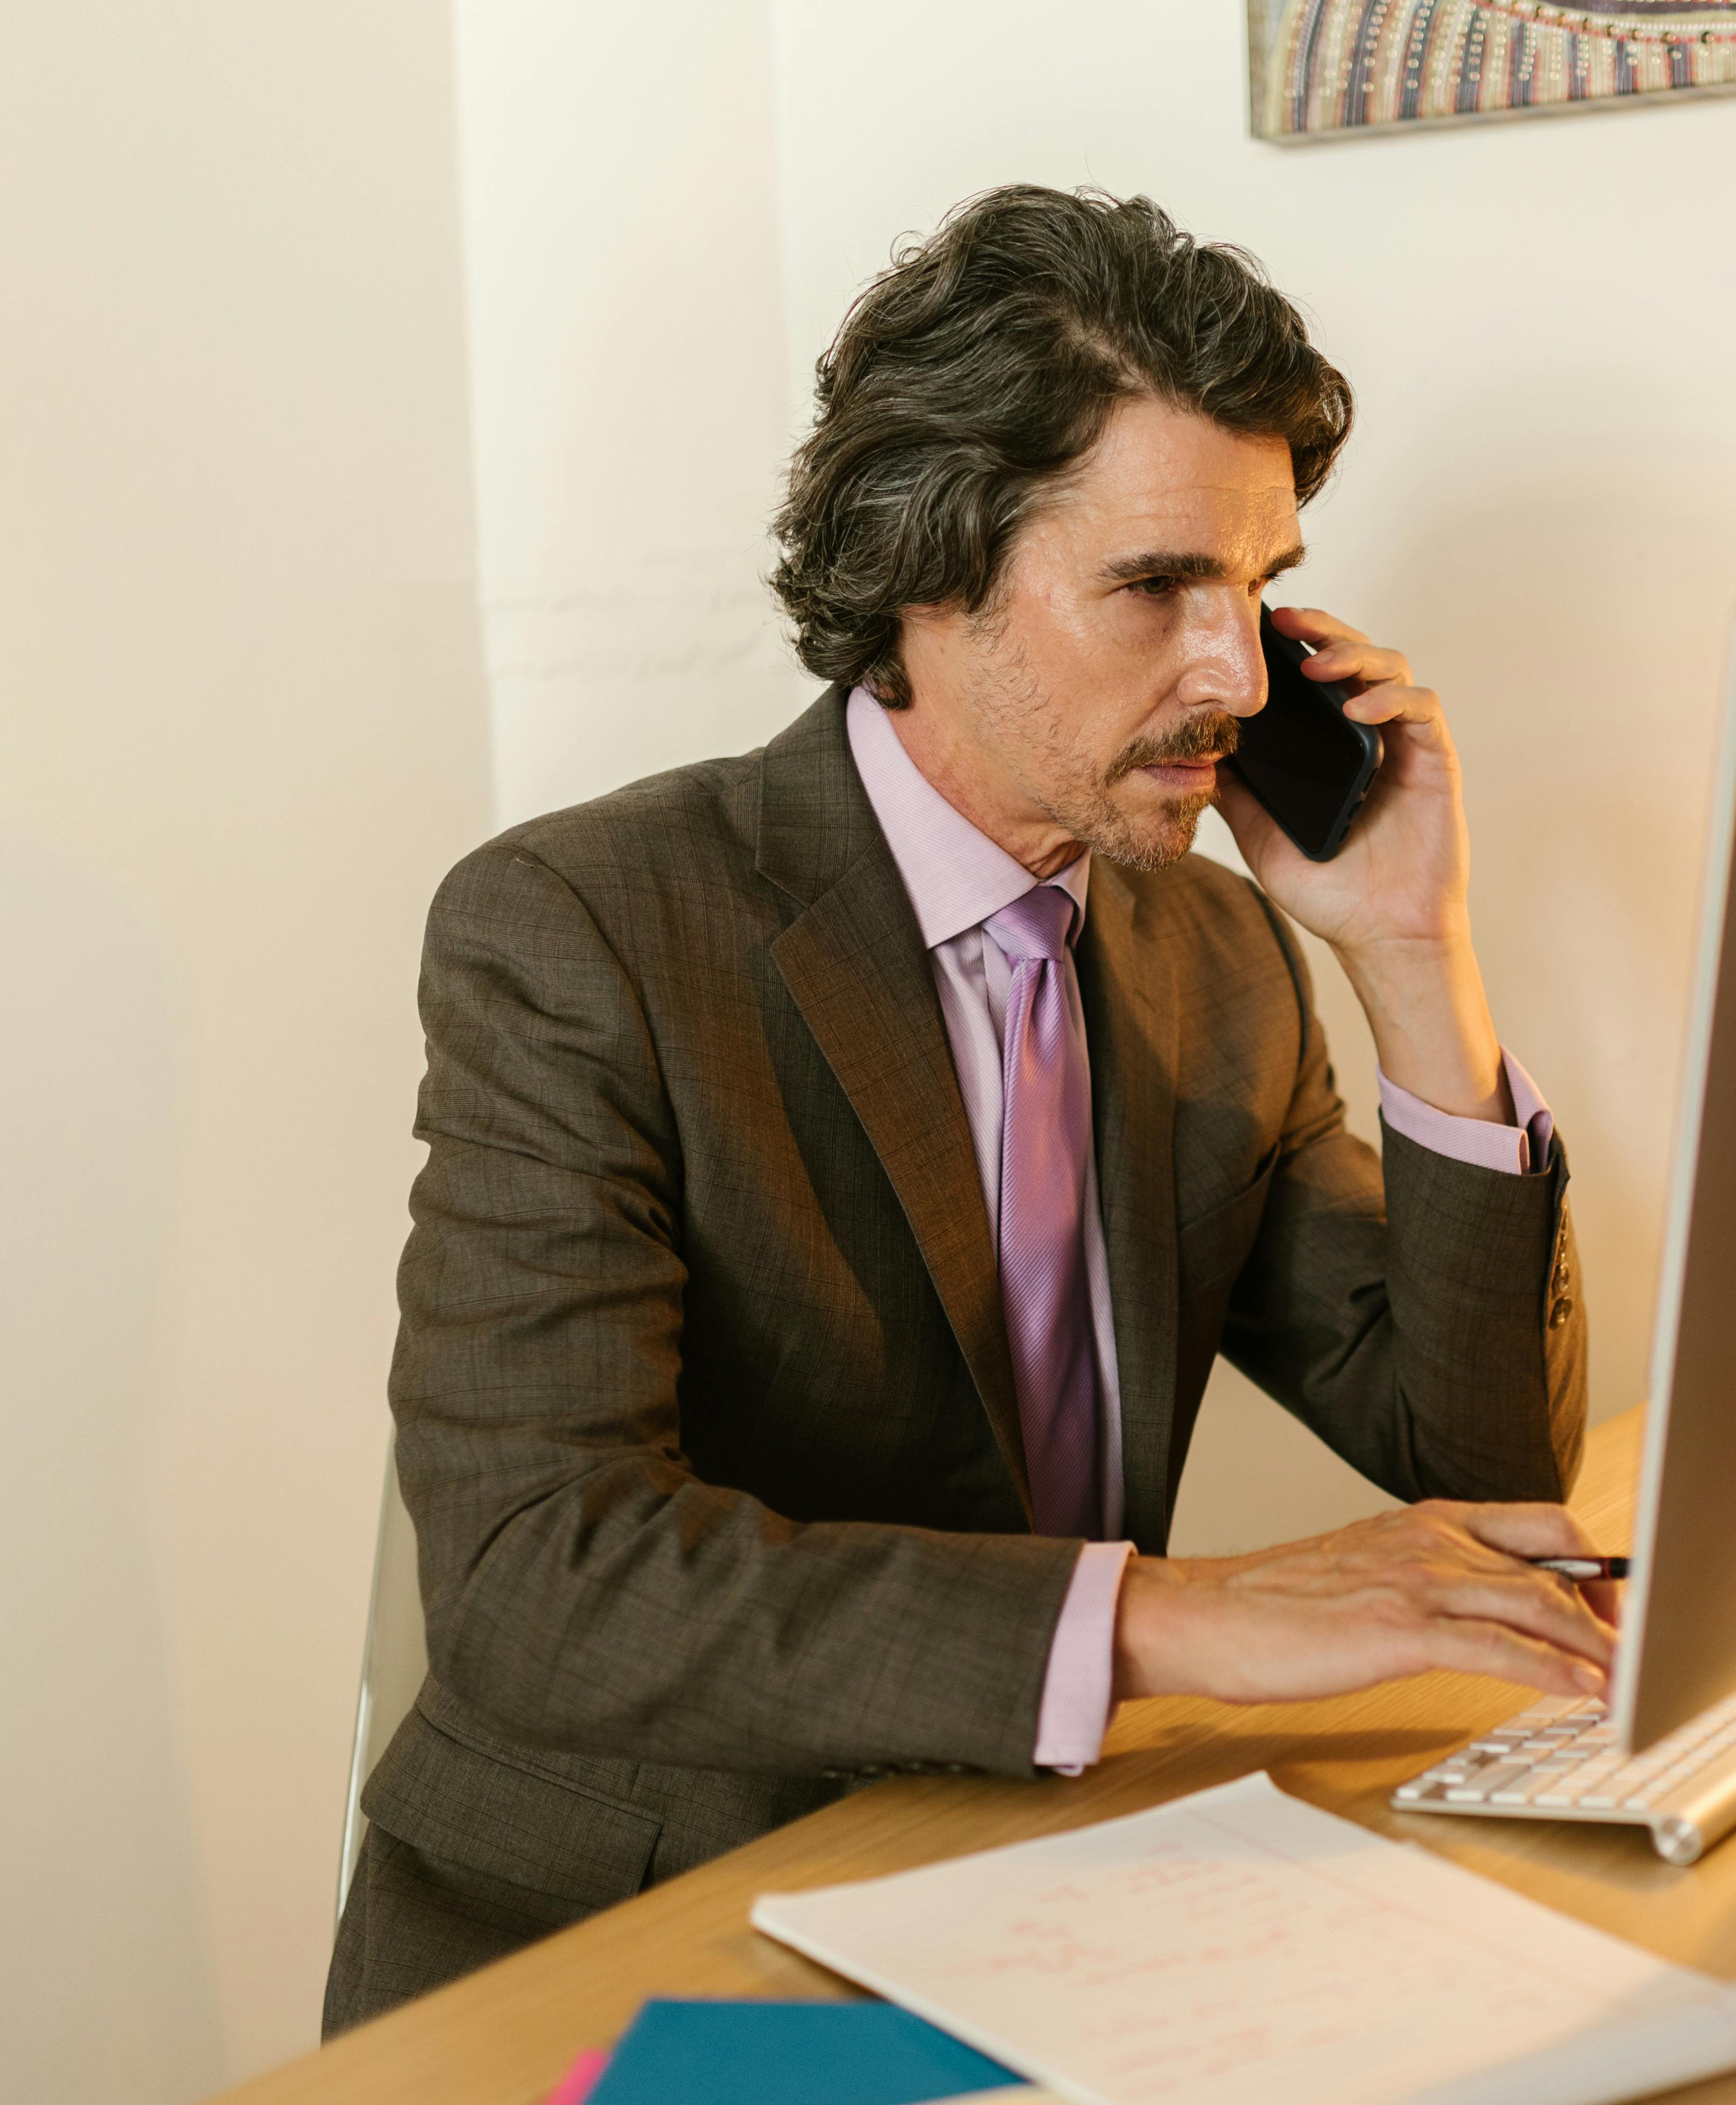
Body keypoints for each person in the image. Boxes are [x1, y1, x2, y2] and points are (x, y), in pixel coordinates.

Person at [325, 184, 1603, 2032]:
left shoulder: (1215, 955)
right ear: (931, 569)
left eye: (1257, 587)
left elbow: (1479, 1466)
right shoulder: (585, 928)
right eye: (1160, 586)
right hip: (650, 1932)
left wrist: (1415, 956)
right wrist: (1177, 1614)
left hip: (1038, 1891)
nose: (1240, 675)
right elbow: (542, 1580)